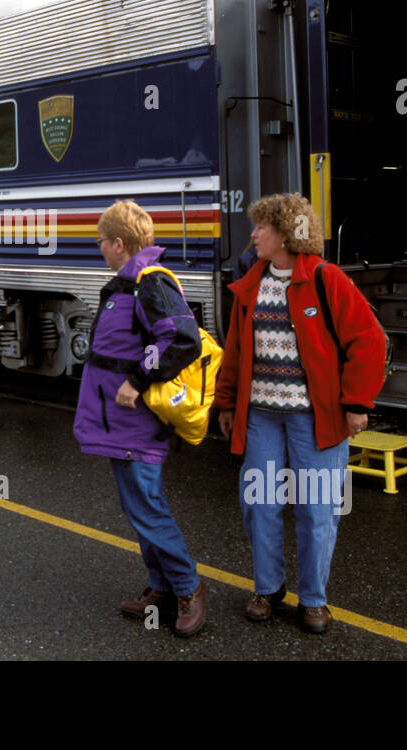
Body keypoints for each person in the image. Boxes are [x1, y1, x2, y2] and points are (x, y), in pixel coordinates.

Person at [216, 193, 386, 633]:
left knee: (317, 508)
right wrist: (226, 402)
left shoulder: (326, 279)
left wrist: (356, 403)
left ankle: (313, 599)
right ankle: (268, 589)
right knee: (260, 503)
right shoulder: (251, 283)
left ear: (287, 234)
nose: (253, 235)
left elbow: (368, 341)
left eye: (261, 228)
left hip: (316, 418)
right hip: (261, 417)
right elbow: (234, 350)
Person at [72, 199, 208, 637]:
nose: (99, 248)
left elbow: (180, 338)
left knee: (147, 506)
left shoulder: (149, 284)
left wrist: (136, 378)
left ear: (118, 243)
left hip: (134, 421)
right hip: (118, 423)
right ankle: (162, 587)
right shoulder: (129, 284)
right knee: (138, 507)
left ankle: (188, 587)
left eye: (101, 242)